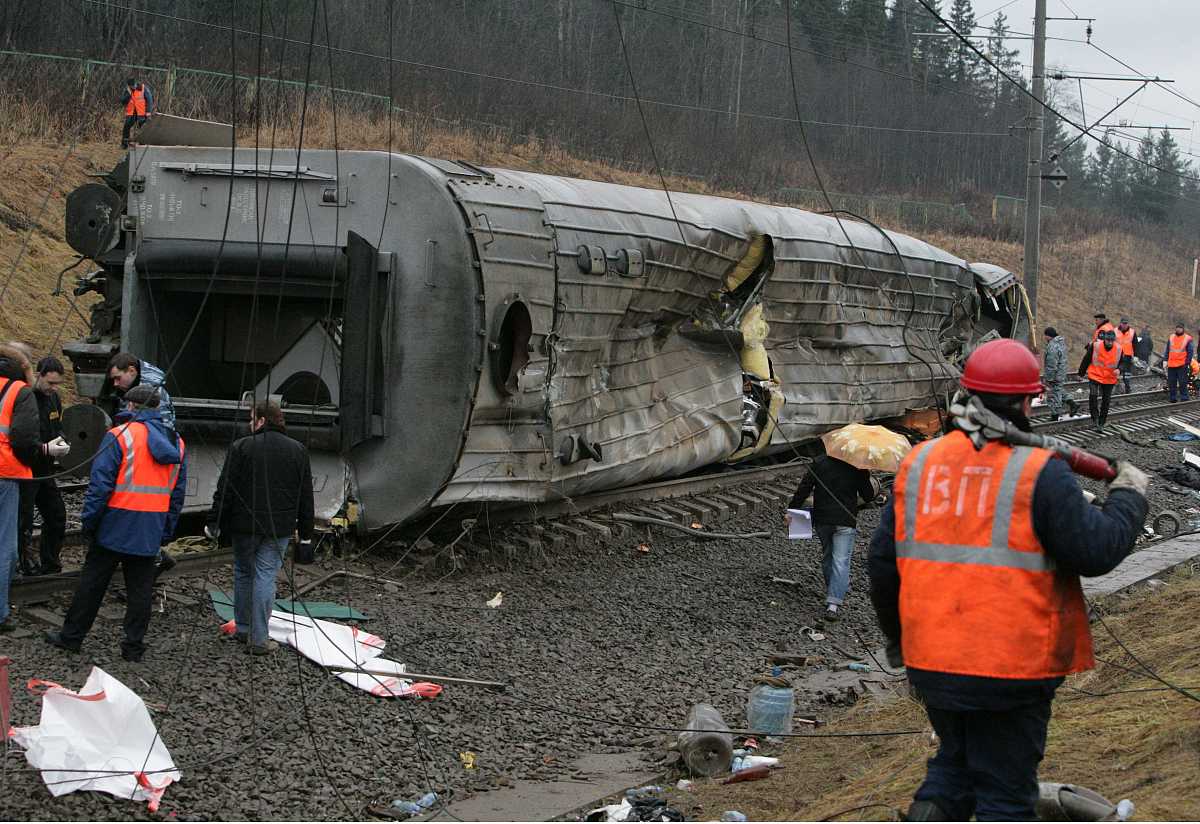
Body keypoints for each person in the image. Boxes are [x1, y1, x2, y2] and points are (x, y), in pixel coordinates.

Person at [868, 338, 1149, 822]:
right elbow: (1097, 551)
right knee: (1005, 792)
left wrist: (901, 643)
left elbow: (882, 565)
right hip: (1011, 668)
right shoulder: (1039, 471)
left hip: (934, 662)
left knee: (953, 770)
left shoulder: (919, 464)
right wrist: (1128, 496)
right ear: (1026, 401)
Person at [44, 385, 186, 661]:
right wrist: (166, 531)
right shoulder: (176, 444)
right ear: (156, 408)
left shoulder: (119, 437)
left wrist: (89, 524)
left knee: (92, 584)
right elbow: (177, 493)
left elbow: (100, 488)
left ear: (131, 406)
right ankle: (132, 648)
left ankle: (71, 638)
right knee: (141, 591)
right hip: (149, 528)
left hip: (114, 524)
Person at [206, 399, 314, 655]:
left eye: (252, 418)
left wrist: (214, 522)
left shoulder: (241, 447)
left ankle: (243, 628)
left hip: (243, 526)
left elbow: (226, 489)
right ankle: (259, 638)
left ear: (262, 420)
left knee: (244, 573)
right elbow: (306, 496)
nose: (249, 423)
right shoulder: (299, 451)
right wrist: (307, 535)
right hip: (280, 527)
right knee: (266, 575)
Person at [787, 449, 875, 623]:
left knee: (828, 555)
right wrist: (866, 476)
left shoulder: (819, 462)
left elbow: (804, 488)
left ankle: (832, 591)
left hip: (822, 519)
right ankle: (833, 604)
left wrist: (792, 510)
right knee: (841, 560)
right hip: (845, 520)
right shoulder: (857, 466)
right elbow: (868, 495)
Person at [0, 345, 41, 632]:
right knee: (4, 548)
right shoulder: (20, 392)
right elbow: (24, 439)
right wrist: (33, 459)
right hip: (4, 475)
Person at [17, 357, 70, 576]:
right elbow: (21, 439)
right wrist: (44, 448)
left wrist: (62, 441)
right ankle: (23, 564)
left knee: (57, 515)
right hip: (25, 469)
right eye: (50, 383)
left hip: (45, 470)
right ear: (38, 375)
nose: (53, 388)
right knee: (23, 521)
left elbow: (57, 426)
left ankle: (50, 563)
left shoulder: (53, 399)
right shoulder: (25, 398)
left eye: (57, 384)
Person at [106, 352, 174, 429]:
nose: (115, 383)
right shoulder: (127, 389)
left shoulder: (155, 393)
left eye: (118, 378)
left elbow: (165, 430)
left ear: (131, 370)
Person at [1077, 329, 1119, 430]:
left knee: (1106, 400)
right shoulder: (1095, 346)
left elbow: (1124, 362)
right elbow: (1086, 359)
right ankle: (1095, 418)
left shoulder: (1118, 349)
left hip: (1109, 378)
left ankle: (1101, 422)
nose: (1109, 342)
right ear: (1104, 339)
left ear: (1114, 340)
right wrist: (1080, 374)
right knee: (1093, 396)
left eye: (1111, 341)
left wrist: (1120, 369)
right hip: (1095, 376)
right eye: (1108, 340)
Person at [1040, 327, 1069, 420]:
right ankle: (1069, 405)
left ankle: (1054, 415)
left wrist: (1048, 379)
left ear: (1049, 336)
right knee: (1058, 392)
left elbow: (1051, 365)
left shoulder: (1053, 346)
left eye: (1045, 335)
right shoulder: (1060, 343)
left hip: (1055, 375)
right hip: (1061, 372)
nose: (1044, 337)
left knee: (1052, 395)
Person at [1163, 322, 1194, 403]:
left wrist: (1187, 363)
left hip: (1182, 364)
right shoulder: (1171, 337)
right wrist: (1165, 360)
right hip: (1171, 364)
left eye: (1180, 328)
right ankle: (1173, 398)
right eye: (1177, 327)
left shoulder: (1187, 338)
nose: (1178, 329)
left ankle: (1184, 397)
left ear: (1183, 329)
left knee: (1182, 382)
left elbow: (1190, 352)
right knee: (1171, 382)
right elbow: (1167, 350)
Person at [119, 78, 154, 149]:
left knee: (142, 129)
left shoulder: (144, 89)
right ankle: (124, 144)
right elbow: (123, 101)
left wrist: (148, 112)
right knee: (126, 128)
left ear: (136, 83)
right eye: (131, 86)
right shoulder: (127, 91)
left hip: (142, 113)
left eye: (133, 85)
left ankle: (142, 144)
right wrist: (129, 94)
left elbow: (149, 101)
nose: (133, 87)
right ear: (129, 86)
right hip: (131, 113)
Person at [1114, 318, 1136, 394]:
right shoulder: (1115, 331)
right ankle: (1118, 389)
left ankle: (1127, 389)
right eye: (1123, 323)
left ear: (1128, 324)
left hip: (1128, 356)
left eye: (1126, 323)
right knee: (1117, 373)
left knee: (1127, 374)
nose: (1124, 325)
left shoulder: (1132, 332)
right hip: (1117, 355)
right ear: (1120, 323)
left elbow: (1135, 344)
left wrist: (1135, 356)